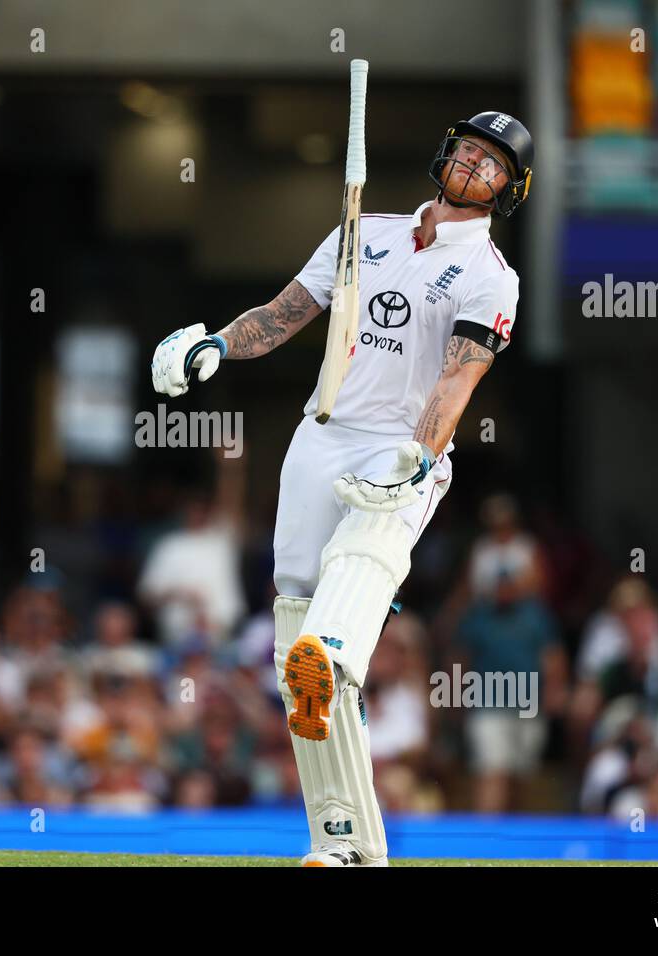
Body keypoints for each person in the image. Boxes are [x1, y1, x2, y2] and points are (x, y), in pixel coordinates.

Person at [150, 111, 534, 865]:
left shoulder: (493, 278)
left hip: (401, 450)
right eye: (466, 150)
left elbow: (458, 378)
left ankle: (333, 648)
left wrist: (418, 457)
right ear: (443, 152)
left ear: (509, 189)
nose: (472, 166)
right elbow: (285, 314)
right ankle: (347, 845)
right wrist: (216, 346)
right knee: (298, 660)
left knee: (349, 593)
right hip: (319, 438)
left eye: (492, 163)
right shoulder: (366, 231)